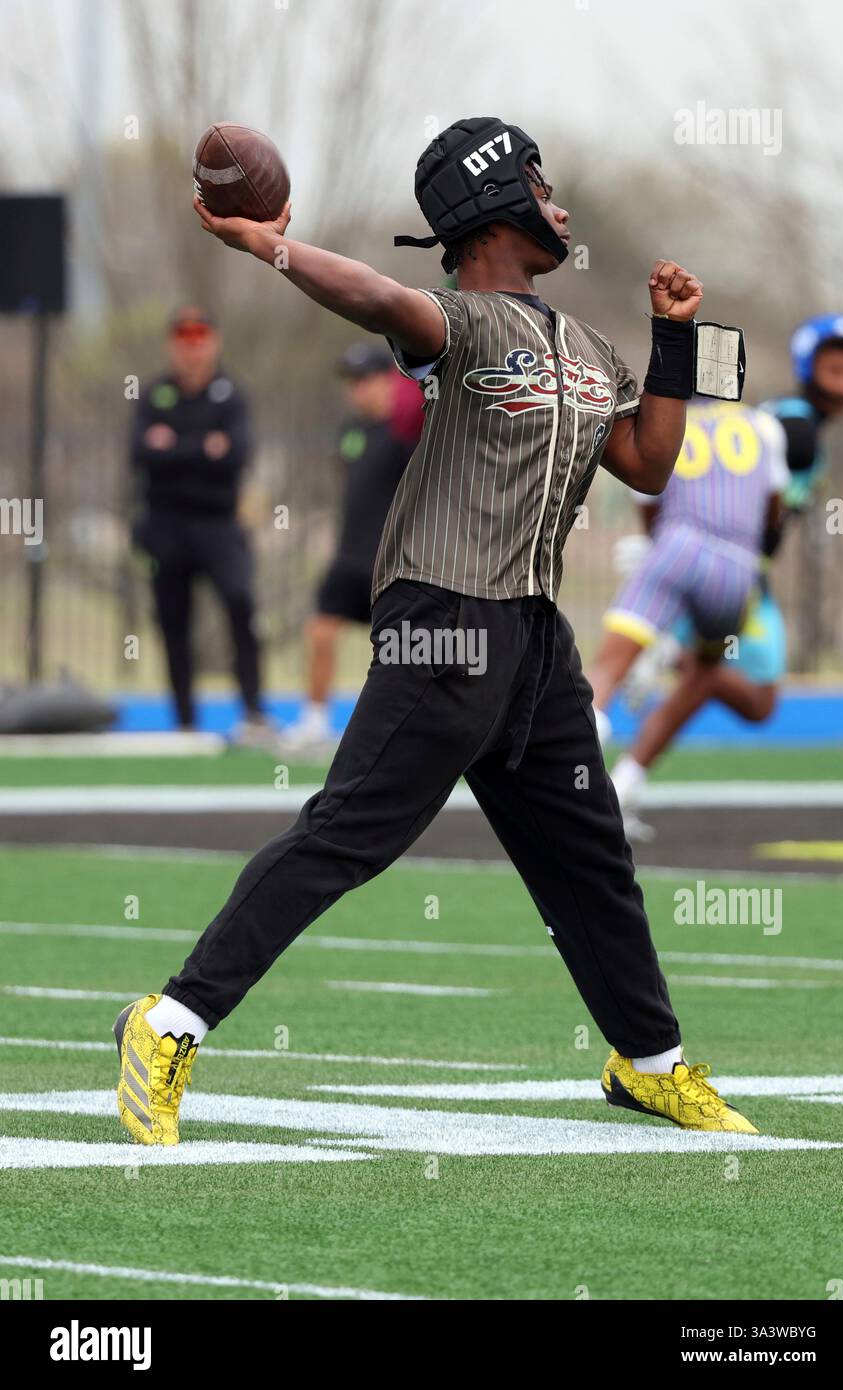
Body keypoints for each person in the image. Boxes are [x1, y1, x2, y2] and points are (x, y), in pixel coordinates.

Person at [114, 116, 758, 1144]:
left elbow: (646, 461)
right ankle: (168, 1018)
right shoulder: (454, 323)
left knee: (589, 858)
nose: (556, 198)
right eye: (536, 180)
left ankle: (649, 1064)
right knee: (348, 835)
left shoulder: (586, 345)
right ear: (492, 199)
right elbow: (375, 294)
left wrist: (671, 339)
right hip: (444, 618)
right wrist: (266, 244)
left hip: (533, 638)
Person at [604, 314, 843, 822]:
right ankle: (626, 778)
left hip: (725, 565)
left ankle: (663, 660)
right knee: (726, 679)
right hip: (736, 572)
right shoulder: (791, 427)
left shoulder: (788, 423)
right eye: (833, 368)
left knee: (748, 696)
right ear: (809, 367)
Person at [130, 306, 269, 741]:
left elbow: (234, 457)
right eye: (183, 339)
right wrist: (202, 448)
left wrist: (174, 448)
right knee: (172, 621)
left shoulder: (232, 395)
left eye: (200, 338)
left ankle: (252, 713)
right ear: (173, 344)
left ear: (214, 342)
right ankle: (185, 722)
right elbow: (140, 455)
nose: (192, 349)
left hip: (219, 524)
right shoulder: (154, 394)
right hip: (166, 524)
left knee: (241, 603)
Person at [284, 342, 424, 751]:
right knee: (320, 632)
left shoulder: (408, 433)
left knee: (401, 650)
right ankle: (314, 721)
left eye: (364, 380)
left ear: (388, 381)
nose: (356, 390)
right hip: (349, 556)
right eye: (351, 382)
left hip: (393, 561)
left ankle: (406, 730)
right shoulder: (351, 432)